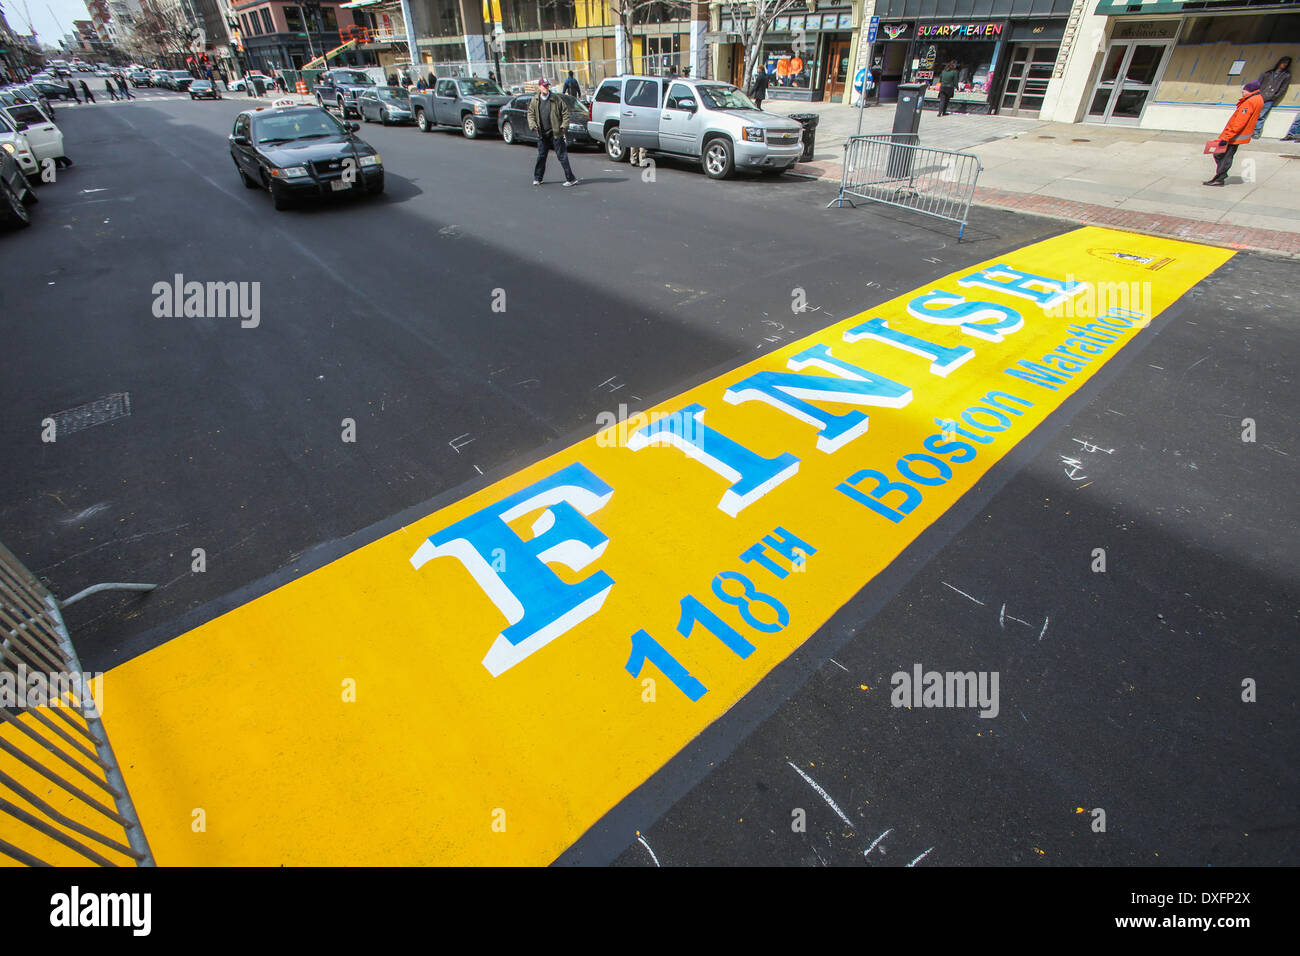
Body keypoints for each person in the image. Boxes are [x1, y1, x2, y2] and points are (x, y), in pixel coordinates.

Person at [1204, 79, 1265, 186]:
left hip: (1234, 136)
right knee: (1221, 155)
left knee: (1222, 155)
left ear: (1250, 90)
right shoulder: (1258, 99)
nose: (1242, 92)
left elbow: (1239, 122)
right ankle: (1221, 175)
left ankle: (1220, 178)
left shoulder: (1249, 102)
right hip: (1237, 135)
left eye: (1244, 90)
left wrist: (1226, 138)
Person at [527, 77, 579, 186]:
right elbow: (530, 114)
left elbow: (565, 113)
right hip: (542, 133)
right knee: (541, 156)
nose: (546, 88)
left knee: (562, 156)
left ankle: (571, 179)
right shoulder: (535, 100)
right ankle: (538, 178)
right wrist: (533, 125)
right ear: (539, 87)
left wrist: (563, 126)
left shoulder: (556, 99)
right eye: (544, 86)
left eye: (547, 85)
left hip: (555, 132)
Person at [1254, 56, 1291, 138]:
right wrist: (1257, 93)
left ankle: (1256, 132)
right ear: (1280, 62)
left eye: (1287, 63)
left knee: (1262, 115)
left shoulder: (1286, 75)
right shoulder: (1269, 73)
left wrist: (1275, 96)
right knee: (1254, 114)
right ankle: (1248, 131)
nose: (1284, 64)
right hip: (1260, 96)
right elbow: (1259, 83)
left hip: (1270, 98)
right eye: (1284, 62)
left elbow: (1283, 88)